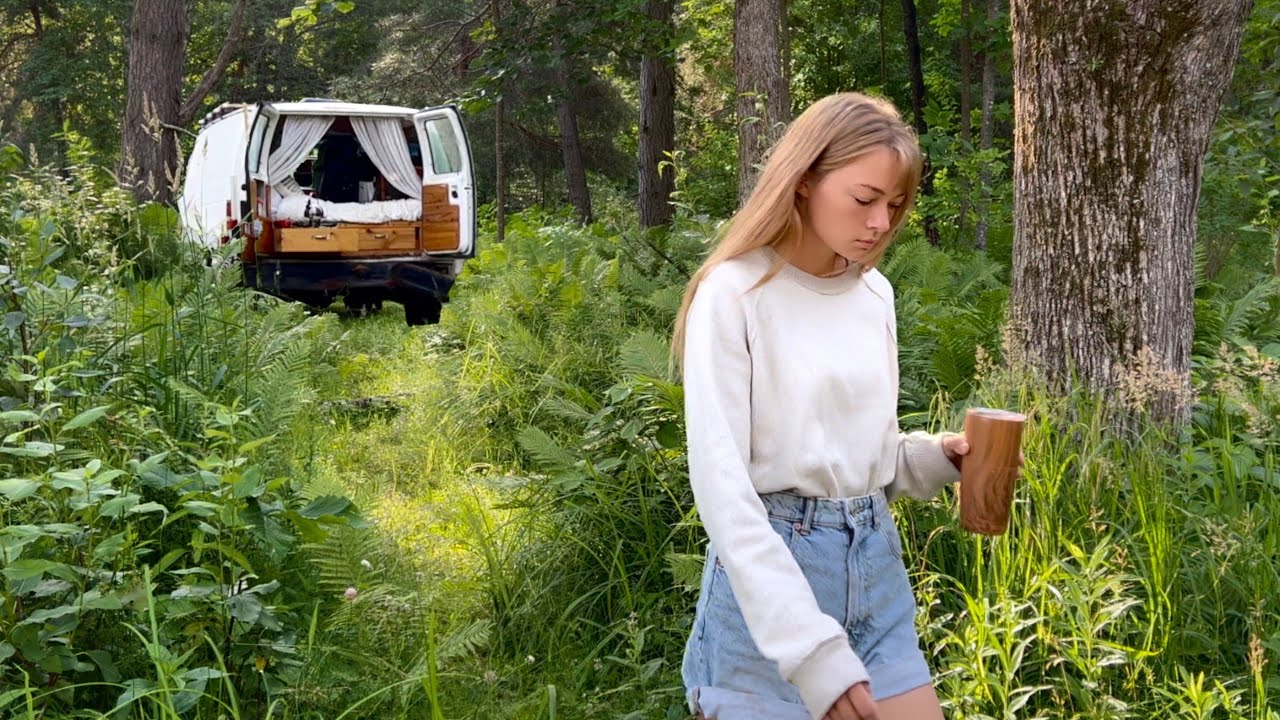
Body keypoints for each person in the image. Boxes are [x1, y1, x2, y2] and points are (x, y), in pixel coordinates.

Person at [673, 92, 974, 720]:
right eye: (864, 199)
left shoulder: (874, 294)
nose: (881, 223)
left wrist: (939, 457)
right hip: (771, 587)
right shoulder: (734, 293)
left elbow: (875, 456)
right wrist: (809, 652)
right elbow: (725, 494)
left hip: (875, 569)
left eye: (895, 205)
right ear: (805, 180)